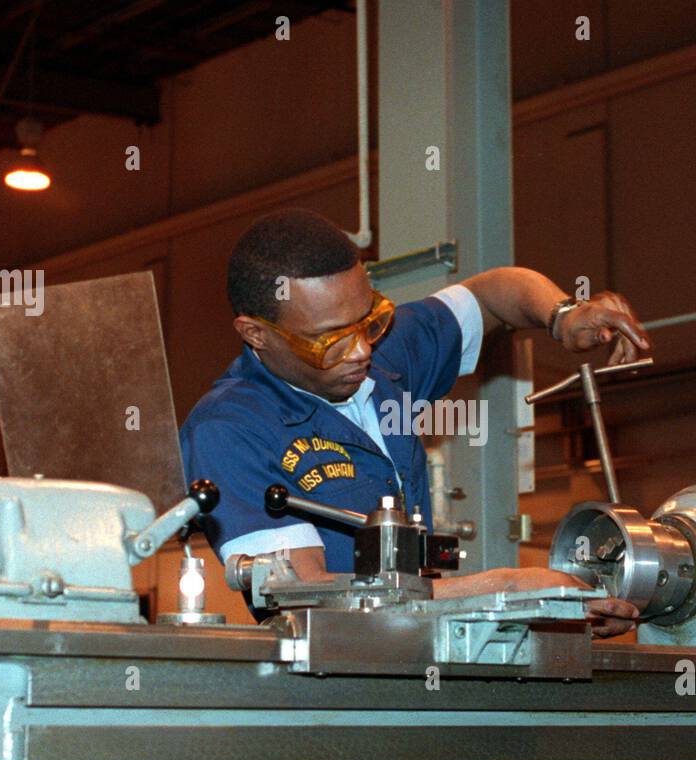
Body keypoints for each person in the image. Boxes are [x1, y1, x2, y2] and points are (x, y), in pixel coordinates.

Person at [180, 208, 652, 636]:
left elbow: (492, 295)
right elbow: (308, 599)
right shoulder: (229, 428)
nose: (361, 350)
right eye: (328, 340)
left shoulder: (389, 357)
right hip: (332, 688)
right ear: (256, 333)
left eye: (368, 321)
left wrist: (563, 315)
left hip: (424, 655)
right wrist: (510, 589)